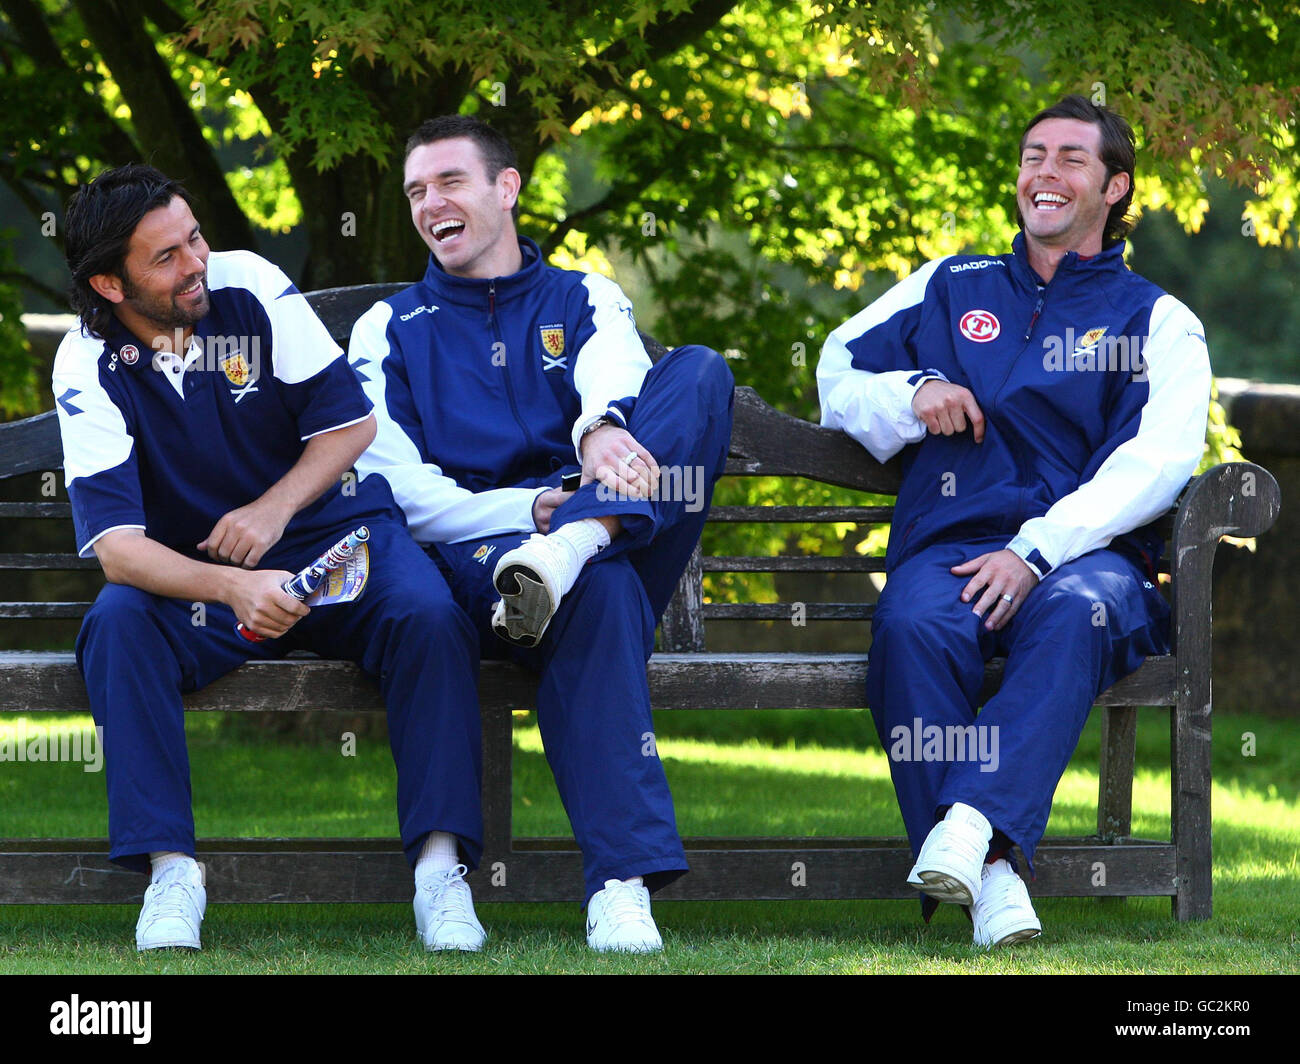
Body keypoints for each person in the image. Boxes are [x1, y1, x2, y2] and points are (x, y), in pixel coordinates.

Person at [54, 164, 487, 953]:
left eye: (194, 238)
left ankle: (439, 872)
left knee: (430, 616)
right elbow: (117, 550)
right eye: (167, 257)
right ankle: (172, 874)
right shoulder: (87, 364)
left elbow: (349, 427)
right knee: (118, 624)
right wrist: (236, 585)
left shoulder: (248, 285)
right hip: (209, 584)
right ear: (110, 285)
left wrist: (272, 509)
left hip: (337, 543)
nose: (196, 264)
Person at [816, 95, 1211, 946]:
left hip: (1091, 558)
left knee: (1076, 614)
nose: (1046, 173)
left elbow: (1157, 464)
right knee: (913, 626)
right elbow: (836, 367)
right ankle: (989, 867)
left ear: (1116, 187)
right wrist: (911, 393)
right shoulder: (949, 285)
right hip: (952, 547)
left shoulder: (1160, 321)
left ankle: (965, 829)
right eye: (1034, 155)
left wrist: (1036, 551)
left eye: (1072, 158)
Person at [348, 115, 734, 952]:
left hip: (601, 525)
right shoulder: (391, 326)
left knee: (700, 371)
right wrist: (529, 514)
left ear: (507, 186)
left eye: (449, 181)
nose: (429, 204)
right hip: (474, 563)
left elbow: (620, 379)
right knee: (604, 595)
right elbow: (397, 489)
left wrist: (598, 430)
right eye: (415, 190)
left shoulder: (583, 296)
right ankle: (619, 883)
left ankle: (576, 550)